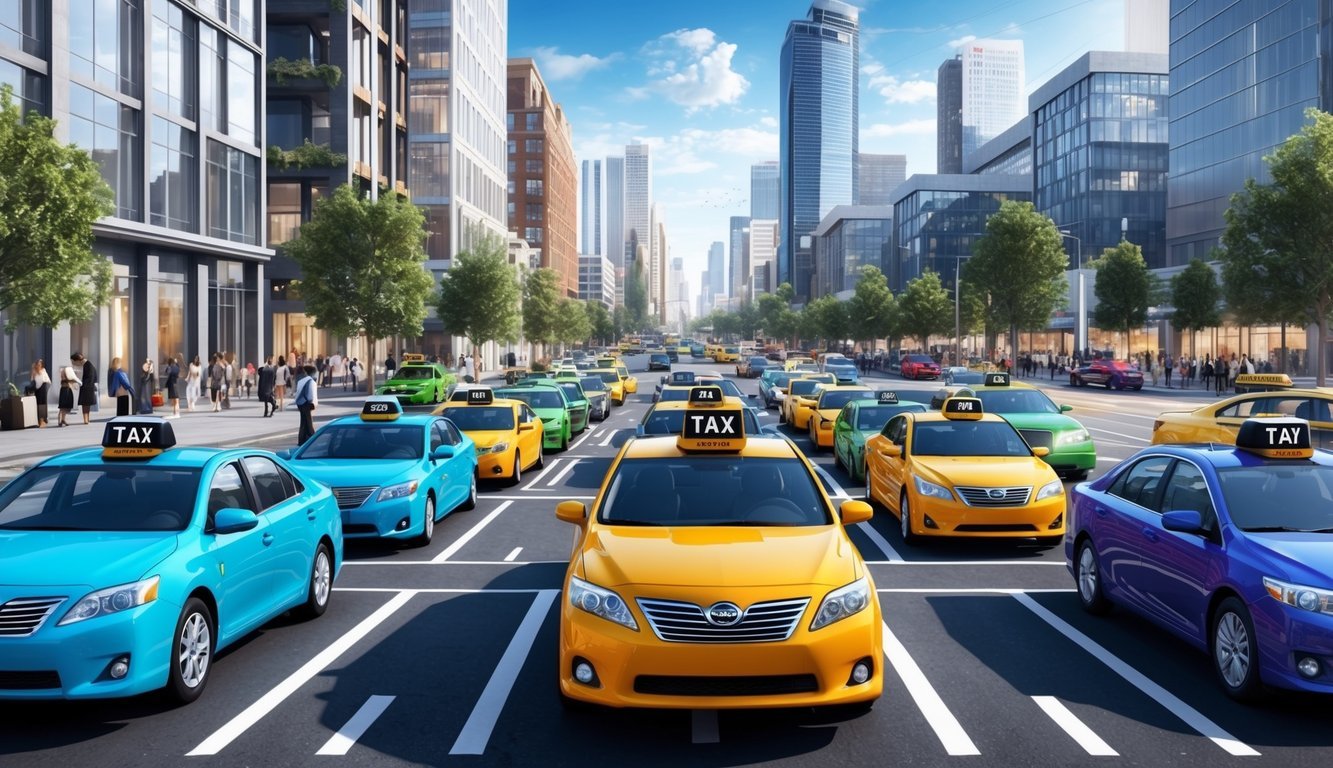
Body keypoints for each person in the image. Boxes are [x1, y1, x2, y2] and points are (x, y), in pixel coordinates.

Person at [293, 364, 318, 445]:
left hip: (300, 403)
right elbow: (310, 395)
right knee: (309, 423)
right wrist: (312, 403)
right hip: (307, 403)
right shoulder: (311, 381)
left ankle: (301, 440)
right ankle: (313, 440)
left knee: (303, 423)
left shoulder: (302, 380)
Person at [73, 353, 97, 424]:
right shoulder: (88, 364)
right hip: (89, 387)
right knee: (87, 404)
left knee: (85, 405)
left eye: (75, 362)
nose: (75, 364)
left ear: (78, 360)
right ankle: (87, 419)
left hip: (87, 388)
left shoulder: (87, 365)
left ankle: (86, 419)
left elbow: (90, 377)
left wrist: (83, 385)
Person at [57, 358, 79, 427]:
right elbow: (66, 379)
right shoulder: (64, 370)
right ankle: (60, 420)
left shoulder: (67, 370)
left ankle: (63, 419)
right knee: (63, 406)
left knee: (65, 406)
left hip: (68, 388)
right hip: (65, 389)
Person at [29, 359, 51, 427]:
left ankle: (42, 421)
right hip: (37, 390)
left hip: (43, 388)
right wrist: (33, 370)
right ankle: (39, 420)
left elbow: (47, 380)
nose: (38, 365)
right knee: (38, 404)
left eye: (40, 364)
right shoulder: (34, 372)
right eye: (37, 364)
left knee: (42, 404)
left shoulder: (43, 370)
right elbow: (32, 380)